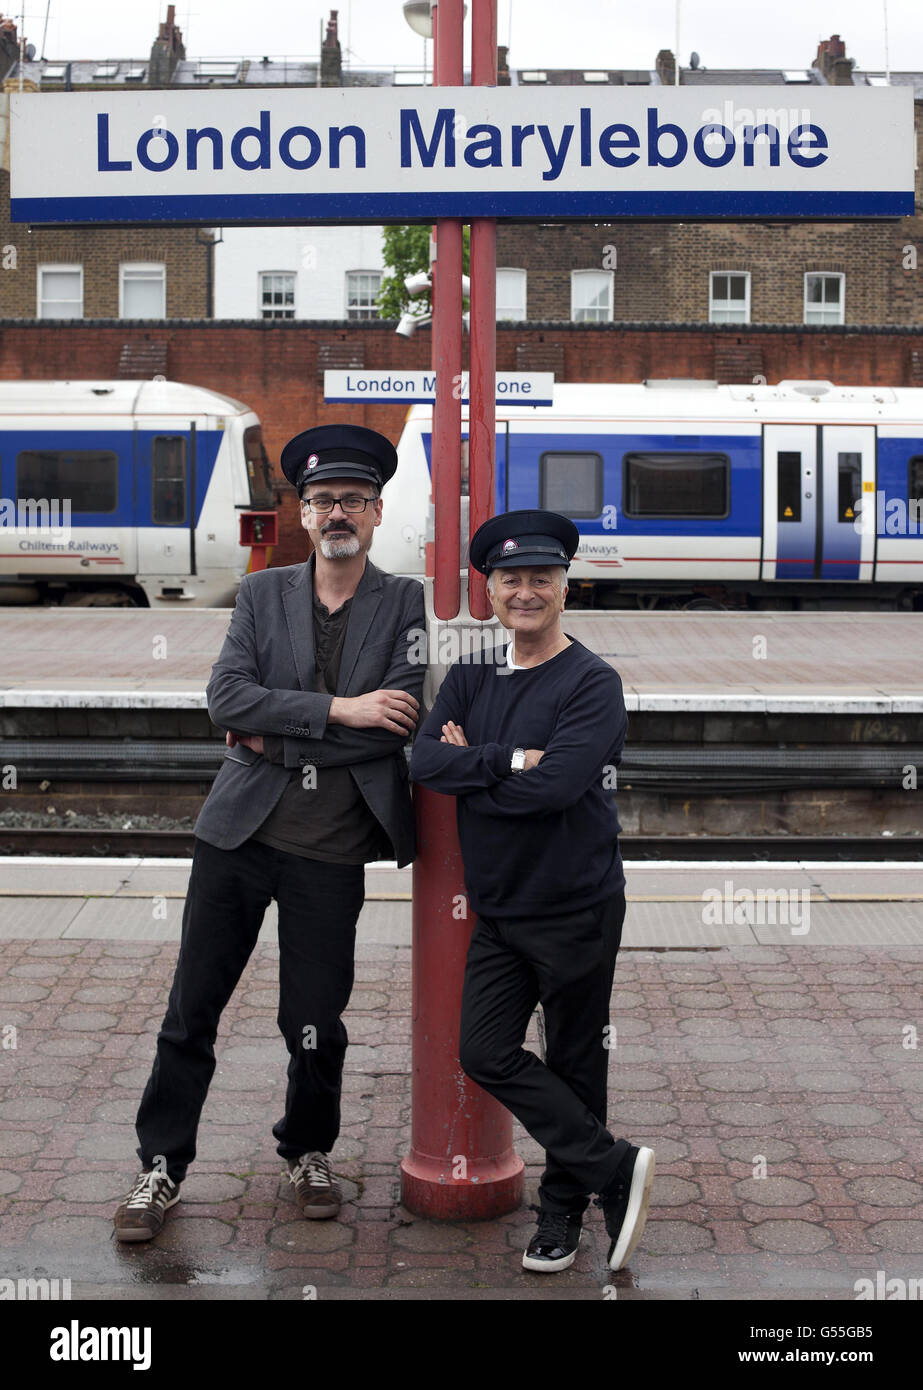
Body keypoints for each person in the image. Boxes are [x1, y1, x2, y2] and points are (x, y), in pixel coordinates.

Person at [114, 423, 425, 1242]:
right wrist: (334, 710)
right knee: (193, 1009)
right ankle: (160, 1166)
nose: (336, 513)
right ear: (303, 512)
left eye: (352, 500)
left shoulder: (407, 604)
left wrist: (276, 732)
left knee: (315, 1018)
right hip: (238, 839)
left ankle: (307, 1149)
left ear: (377, 511)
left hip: (331, 849)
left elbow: (395, 723)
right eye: (321, 500)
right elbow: (226, 699)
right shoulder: (261, 594)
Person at [409, 508, 654, 1274]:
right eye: (509, 579)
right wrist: (507, 759)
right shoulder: (472, 673)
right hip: (499, 909)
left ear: (563, 587)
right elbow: (421, 761)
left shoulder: (592, 683)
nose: (524, 591)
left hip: (575, 906)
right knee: (482, 1050)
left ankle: (561, 1216)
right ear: (489, 590)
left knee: (576, 1062)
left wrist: (476, 766)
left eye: (539, 579)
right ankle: (612, 1165)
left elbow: (553, 790)